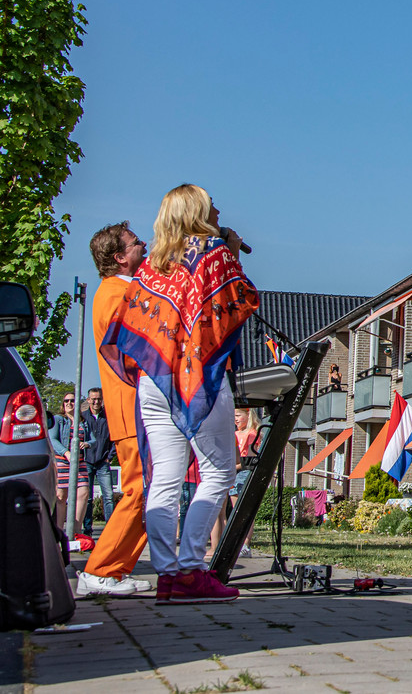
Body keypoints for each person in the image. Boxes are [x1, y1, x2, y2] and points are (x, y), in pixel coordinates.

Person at [100, 184, 258, 605]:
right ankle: (191, 567)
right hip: (198, 377)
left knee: (165, 478)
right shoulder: (213, 252)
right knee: (219, 471)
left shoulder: (152, 264)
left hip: (155, 379)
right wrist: (233, 251)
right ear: (199, 212)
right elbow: (241, 300)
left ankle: (167, 575)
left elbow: (136, 322)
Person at [79, 223, 152, 597]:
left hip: (136, 406)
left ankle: (114, 568)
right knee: (139, 490)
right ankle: (101, 568)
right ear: (119, 257)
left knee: (147, 490)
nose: (144, 244)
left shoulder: (122, 291)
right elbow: (130, 351)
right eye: (135, 242)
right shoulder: (114, 294)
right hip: (132, 407)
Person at [49, 393, 91, 537]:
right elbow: (52, 439)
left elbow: (93, 439)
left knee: (84, 492)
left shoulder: (83, 422)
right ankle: (60, 533)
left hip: (80, 462)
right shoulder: (58, 420)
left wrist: (87, 444)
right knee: (61, 496)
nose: (69, 403)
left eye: (72, 401)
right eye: (66, 401)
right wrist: (65, 452)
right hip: (62, 462)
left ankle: (76, 531)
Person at [81, 387, 114, 537]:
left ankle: (110, 531)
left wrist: (110, 456)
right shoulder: (82, 417)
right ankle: (87, 530)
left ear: (102, 400)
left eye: (98, 399)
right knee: (87, 498)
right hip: (86, 461)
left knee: (108, 496)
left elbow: (114, 437)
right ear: (88, 400)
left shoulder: (109, 417)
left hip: (102, 461)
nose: (96, 401)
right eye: (93, 399)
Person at [229, 408, 262, 557]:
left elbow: (248, 460)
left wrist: (230, 467)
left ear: (248, 415)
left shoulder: (251, 434)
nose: (235, 419)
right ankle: (236, 542)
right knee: (235, 511)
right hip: (233, 474)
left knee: (244, 510)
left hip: (243, 473)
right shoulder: (235, 434)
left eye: (238, 416)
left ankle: (245, 544)